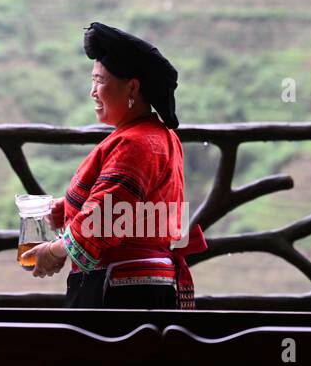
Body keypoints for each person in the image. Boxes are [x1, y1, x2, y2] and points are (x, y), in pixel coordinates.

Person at [27, 22, 207, 308]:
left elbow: (105, 215)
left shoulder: (135, 143)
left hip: (120, 293)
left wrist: (56, 251)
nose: (92, 91)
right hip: (146, 286)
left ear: (132, 87)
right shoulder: (162, 137)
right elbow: (135, 208)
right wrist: (68, 208)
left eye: (100, 81)